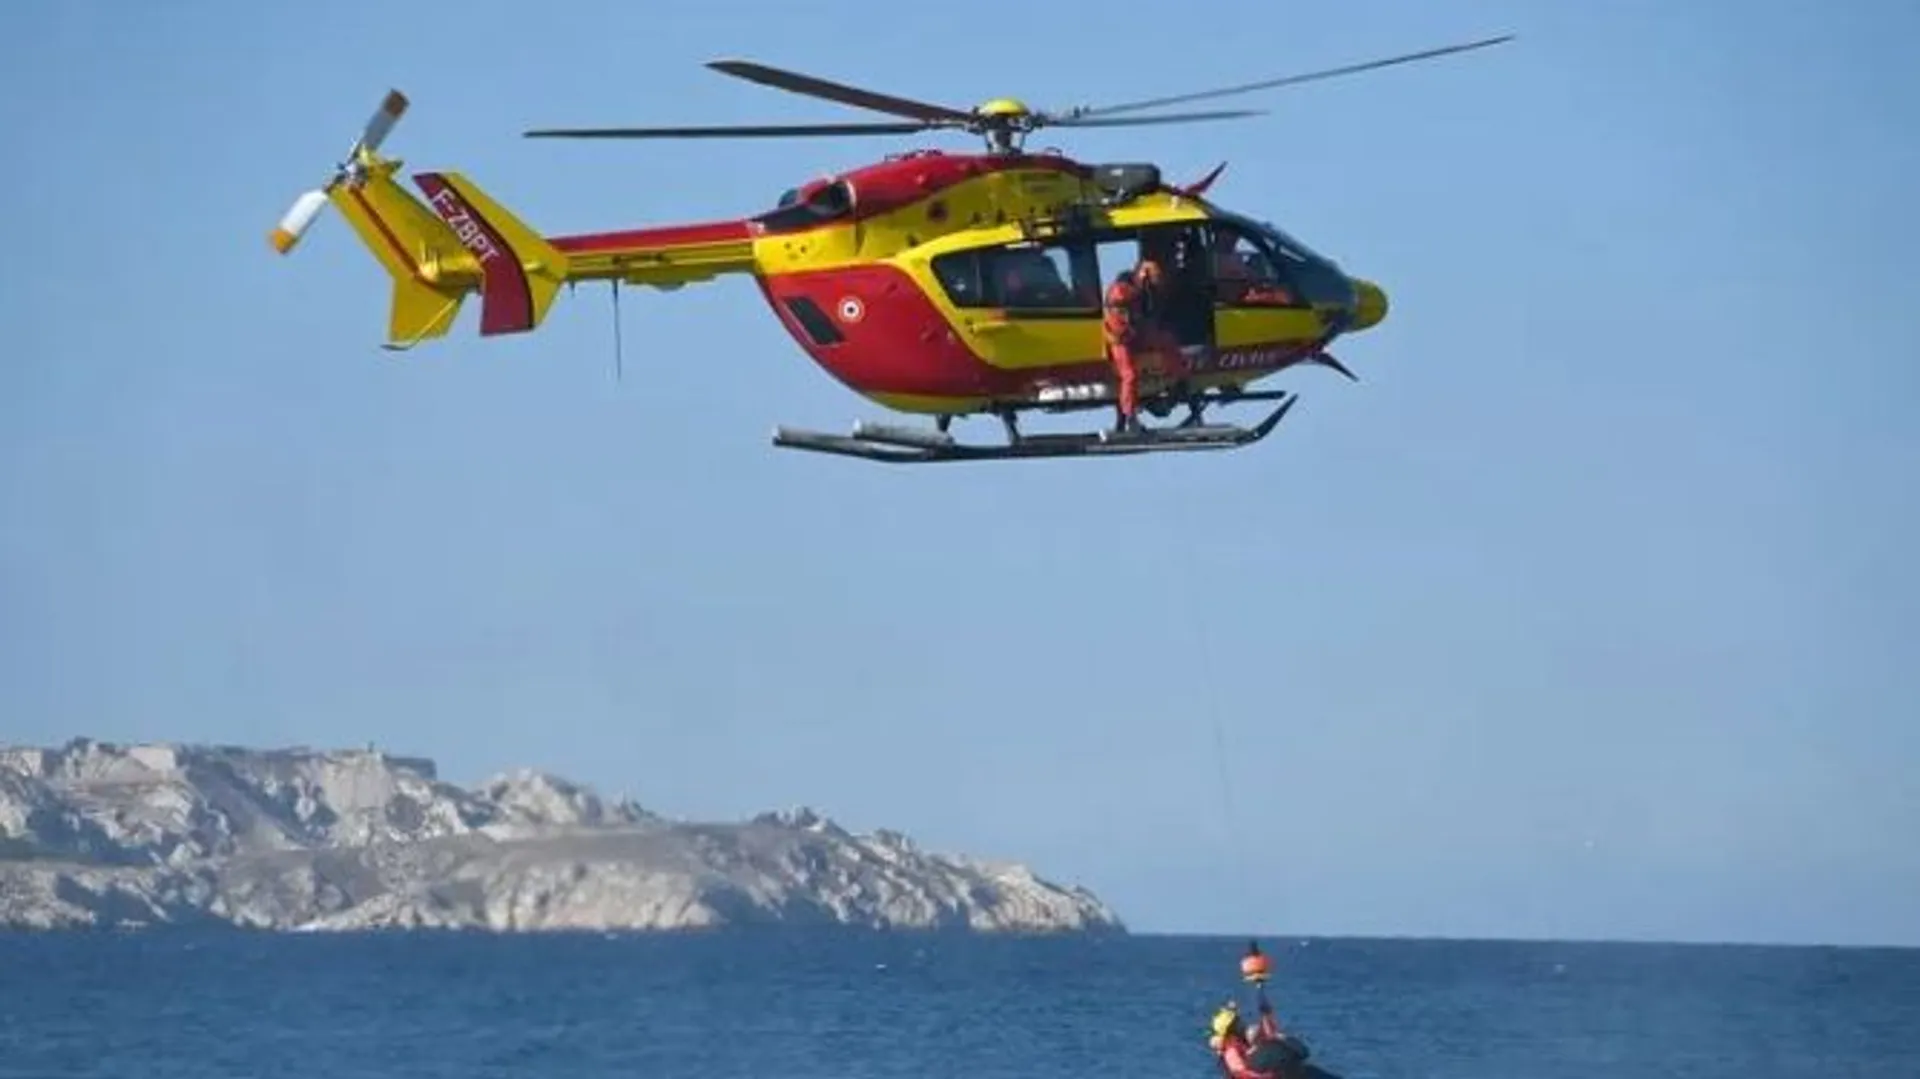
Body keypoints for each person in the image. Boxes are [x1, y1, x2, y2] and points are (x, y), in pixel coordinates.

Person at [1100, 239, 1188, 432]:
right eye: (1154, 278)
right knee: (1129, 375)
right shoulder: (1122, 291)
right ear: (1144, 273)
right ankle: (1130, 417)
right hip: (1121, 339)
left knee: (1167, 340)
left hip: (1136, 335)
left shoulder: (1144, 292)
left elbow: (1145, 318)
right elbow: (1120, 323)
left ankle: (1180, 383)